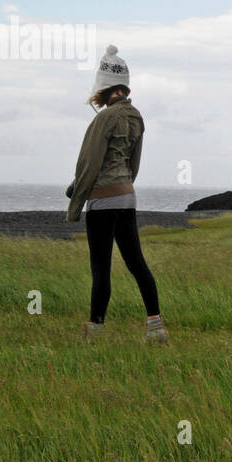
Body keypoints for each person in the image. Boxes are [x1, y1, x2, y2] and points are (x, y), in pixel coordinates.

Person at [65, 45, 169, 343]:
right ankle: (156, 327)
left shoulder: (103, 119)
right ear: (123, 87)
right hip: (127, 196)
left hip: (102, 200)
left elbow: (89, 163)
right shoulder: (137, 117)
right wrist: (124, 187)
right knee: (137, 263)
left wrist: (76, 200)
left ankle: (95, 330)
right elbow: (133, 164)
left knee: (101, 268)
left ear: (103, 89)